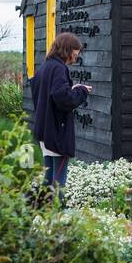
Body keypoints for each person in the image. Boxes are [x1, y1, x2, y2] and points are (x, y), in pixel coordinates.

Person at [29, 32, 92, 195]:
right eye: (76, 52)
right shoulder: (59, 68)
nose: (76, 56)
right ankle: (57, 216)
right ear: (68, 49)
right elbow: (64, 100)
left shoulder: (45, 67)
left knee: (48, 179)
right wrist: (82, 91)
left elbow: (49, 94)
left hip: (44, 131)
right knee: (58, 183)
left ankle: (41, 213)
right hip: (56, 132)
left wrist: (73, 89)